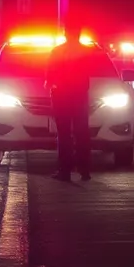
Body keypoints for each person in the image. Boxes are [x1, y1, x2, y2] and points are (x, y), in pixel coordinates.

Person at [45, 21, 93, 181]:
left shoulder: (57, 52)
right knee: (82, 133)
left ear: (66, 33)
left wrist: (52, 87)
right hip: (79, 96)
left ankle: (65, 171)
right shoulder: (85, 52)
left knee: (64, 134)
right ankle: (84, 170)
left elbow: (50, 75)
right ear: (79, 33)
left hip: (62, 97)